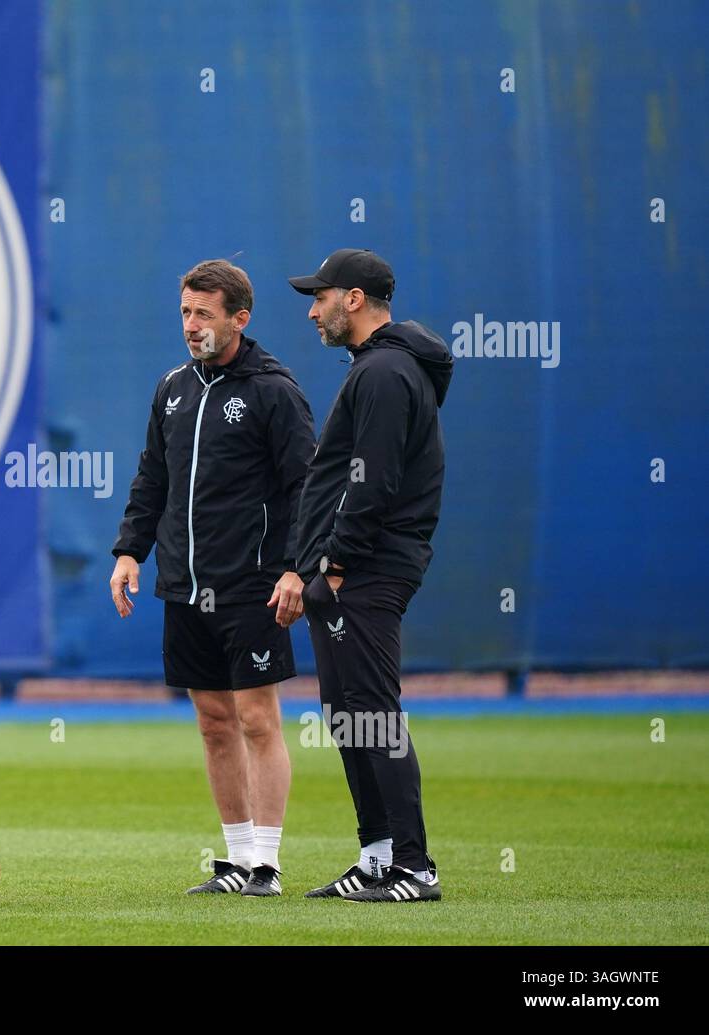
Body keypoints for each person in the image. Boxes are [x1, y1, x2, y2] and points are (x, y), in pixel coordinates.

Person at [110, 259, 315, 897]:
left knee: (258, 718)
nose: (191, 325)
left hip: (253, 585)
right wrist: (128, 553)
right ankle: (235, 861)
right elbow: (153, 480)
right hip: (183, 587)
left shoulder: (273, 390)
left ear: (239, 318)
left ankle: (268, 866)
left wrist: (295, 569)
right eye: (185, 312)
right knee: (213, 723)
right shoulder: (173, 387)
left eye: (204, 313)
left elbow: (305, 489)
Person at [287, 248, 453, 902]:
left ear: (353, 298)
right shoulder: (376, 367)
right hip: (353, 567)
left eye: (321, 295)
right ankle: (378, 856)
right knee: (348, 713)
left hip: (367, 568)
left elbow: (373, 481)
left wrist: (334, 561)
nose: (313, 307)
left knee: (373, 714)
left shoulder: (385, 371)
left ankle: (415, 868)